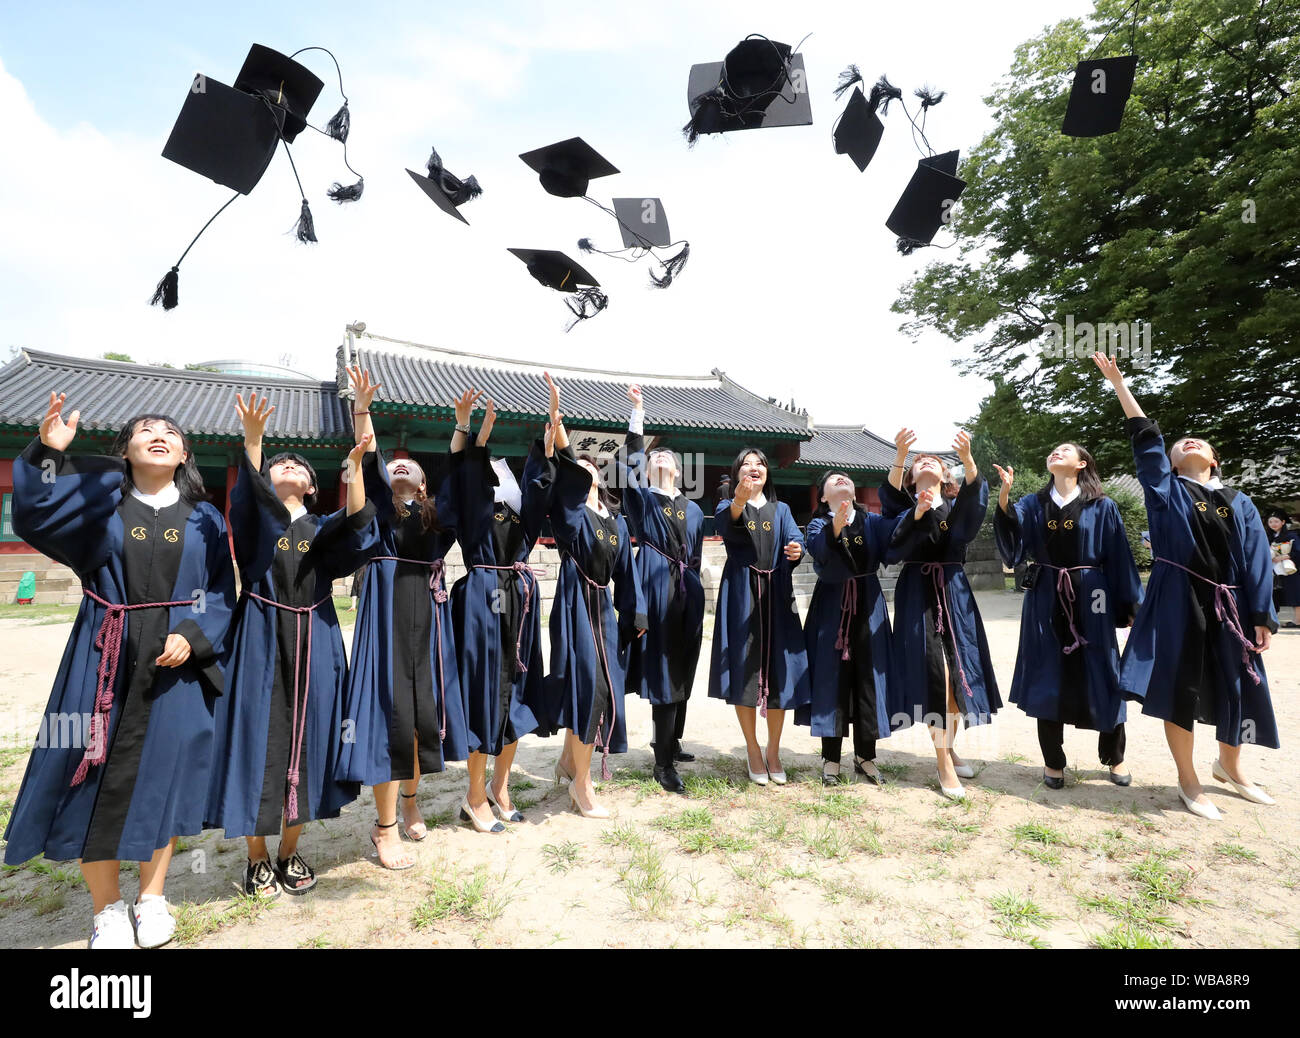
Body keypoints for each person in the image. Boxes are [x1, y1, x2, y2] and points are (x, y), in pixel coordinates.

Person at [4, 395, 235, 949]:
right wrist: (48, 455)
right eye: (145, 429)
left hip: (175, 667)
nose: (159, 435)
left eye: (171, 431)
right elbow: (35, 515)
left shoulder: (205, 517)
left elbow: (222, 593)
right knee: (90, 774)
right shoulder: (98, 507)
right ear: (124, 450)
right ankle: (106, 909)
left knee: (166, 776)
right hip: (102, 656)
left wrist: (192, 634)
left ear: (184, 454)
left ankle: (152, 898)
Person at [207, 393, 378, 894]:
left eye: (299, 466)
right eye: (280, 463)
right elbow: (245, 506)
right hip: (260, 635)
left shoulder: (322, 527)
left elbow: (359, 531)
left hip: (316, 636)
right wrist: (255, 442)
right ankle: (256, 856)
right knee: (258, 739)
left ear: (312, 486)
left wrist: (356, 468)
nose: (290, 468)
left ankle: (289, 851)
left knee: (311, 739)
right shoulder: (259, 522)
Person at [1095, 353, 1278, 819]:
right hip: (1179, 597)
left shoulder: (1239, 501)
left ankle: (1231, 767)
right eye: (1179, 444)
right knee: (1182, 687)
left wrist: (1261, 615)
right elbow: (1147, 442)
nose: (1187, 442)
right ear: (1172, 464)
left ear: (1214, 460)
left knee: (1238, 687)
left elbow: (1257, 560)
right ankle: (1188, 778)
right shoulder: (1165, 491)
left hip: (1231, 602)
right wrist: (1120, 386)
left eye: (1198, 441)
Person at [336, 366, 470, 864]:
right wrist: (363, 410)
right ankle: (384, 825)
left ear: (424, 481)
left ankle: (411, 804)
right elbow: (366, 461)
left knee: (419, 716)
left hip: (427, 615)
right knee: (390, 714)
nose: (400, 469)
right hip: (387, 609)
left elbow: (458, 488)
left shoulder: (437, 519)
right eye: (394, 468)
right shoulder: (378, 513)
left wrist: (460, 427)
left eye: (410, 468)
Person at [993, 444, 1142, 789]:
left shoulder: (1102, 506)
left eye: (1064, 451)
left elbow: (1119, 556)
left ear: (1082, 463)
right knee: (1047, 672)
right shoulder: (1032, 503)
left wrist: (1129, 607)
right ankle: (1053, 761)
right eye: (1052, 452)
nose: (1055, 454)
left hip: (1094, 595)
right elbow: (1013, 533)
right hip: (1045, 594)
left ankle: (1114, 756)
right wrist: (1004, 496)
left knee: (1104, 671)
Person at [438, 388, 549, 832]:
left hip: (516, 594)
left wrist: (551, 438)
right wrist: (468, 431)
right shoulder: (470, 500)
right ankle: (473, 793)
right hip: (482, 590)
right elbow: (460, 479)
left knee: (514, 691)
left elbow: (546, 488)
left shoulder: (522, 499)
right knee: (483, 692)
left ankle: (501, 786)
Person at [540, 373, 646, 817]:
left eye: (591, 470)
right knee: (590, 687)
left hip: (603, 608)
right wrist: (557, 422)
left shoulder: (617, 521)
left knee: (598, 686)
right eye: (576, 472)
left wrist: (635, 614)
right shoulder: (571, 518)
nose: (585, 475)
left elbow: (628, 574)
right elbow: (564, 469)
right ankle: (582, 786)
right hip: (575, 605)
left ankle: (569, 761)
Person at [881, 428, 1001, 799]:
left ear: (946, 477)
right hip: (918, 590)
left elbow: (973, 512)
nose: (926, 461)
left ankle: (948, 747)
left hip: (953, 590)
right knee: (937, 672)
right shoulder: (903, 508)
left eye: (933, 460)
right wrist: (902, 455)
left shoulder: (955, 505)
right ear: (911, 477)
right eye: (919, 462)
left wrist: (967, 460)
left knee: (957, 674)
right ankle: (943, 761)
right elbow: (892, 536)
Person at [619, 384, 706, 793]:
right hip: (656, 587)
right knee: (664, 671)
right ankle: (662, 763)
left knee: (684, 664)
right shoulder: (643, 500)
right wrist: (638, 412)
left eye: (668, 455)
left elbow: (697, 556)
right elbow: (631, 460)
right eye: (656, 455)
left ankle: (671, 740)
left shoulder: (694, 509)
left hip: (687, 590)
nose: (661, 457)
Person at [709, 446, 809, 785]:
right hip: (742, 595)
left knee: (780, 673)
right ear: (737, 474)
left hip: (777, 595)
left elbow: (796, 538)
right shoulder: (728, 504)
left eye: (760, 464)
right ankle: (752, 747)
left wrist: (796, 549)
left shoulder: (781, 509)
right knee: (744, 672)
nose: (754, 468)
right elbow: (726, 524)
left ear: (767, 473)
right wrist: (738, 499)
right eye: (746, 465)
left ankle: (774, 749)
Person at [795, 471, 899, 786]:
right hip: (832, 607)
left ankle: (865, 756)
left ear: (854, 491)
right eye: (833, 479)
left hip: (868, 604)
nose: (842, 480)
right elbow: (818, 548)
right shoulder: (817, 524)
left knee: (870, 677)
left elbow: (894, 541)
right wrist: (836, 526)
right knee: (831, 678)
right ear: (823, 496)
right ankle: (831, 758)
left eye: (846, 478)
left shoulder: (872, 522)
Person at [1265, 508, 1298, 628]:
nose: (1273, 524)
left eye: (1276, 521)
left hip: (1289, 569)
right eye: (1270, 522)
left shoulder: (1291, 535)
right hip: (1272, 570)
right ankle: (1273, 620)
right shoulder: (1267, 537)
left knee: (1295, 594)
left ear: (1283, 522)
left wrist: (1285, 556)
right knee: (1273, 595)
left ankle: (1297, 621)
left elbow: (1298, 551)